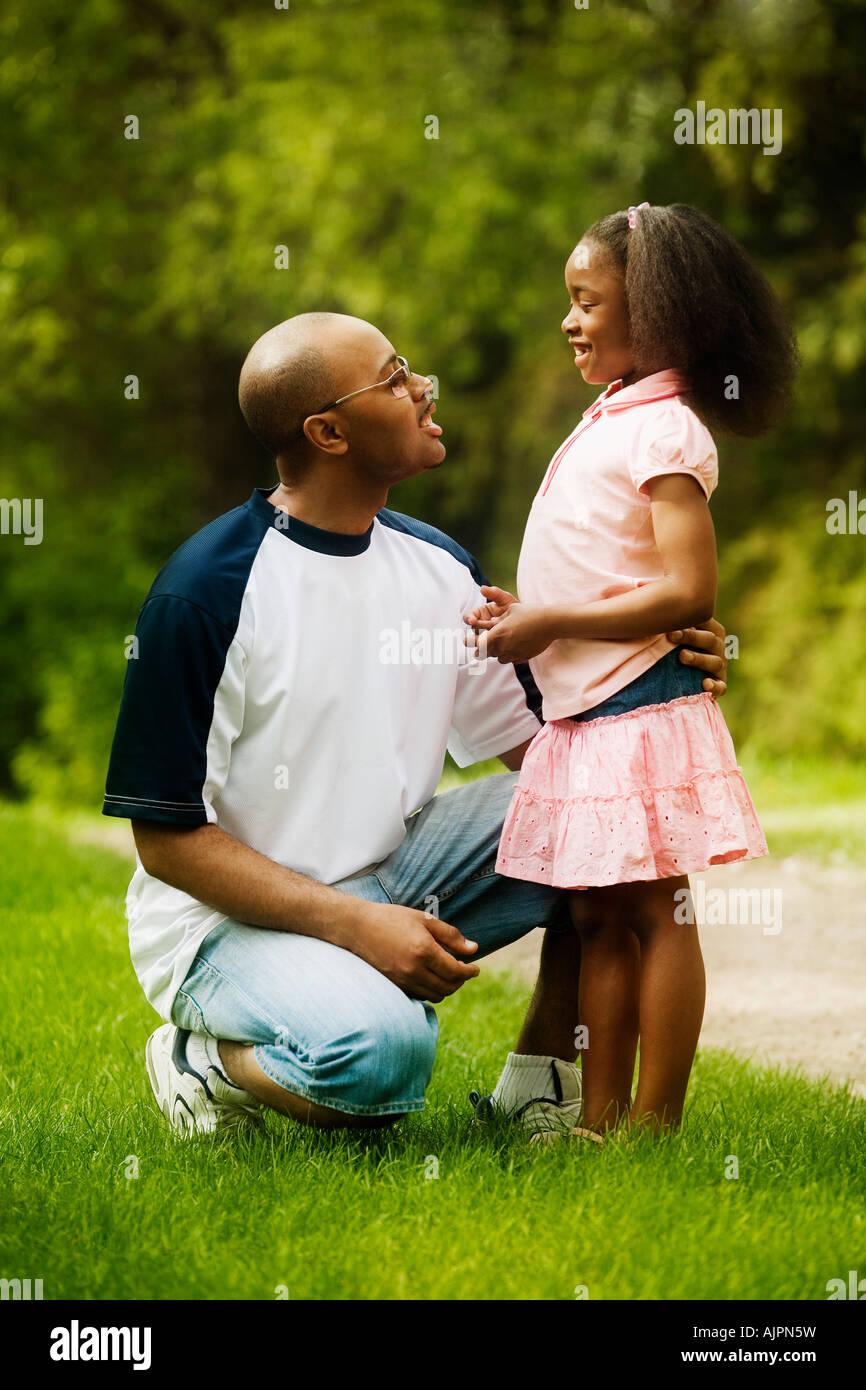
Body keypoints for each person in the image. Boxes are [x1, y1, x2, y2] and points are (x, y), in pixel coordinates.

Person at [102, 310, 729, 1137]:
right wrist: (355, 925)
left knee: (597, 807)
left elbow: (556, 747)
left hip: (398, 872)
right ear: (328, 431)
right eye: (394, 380)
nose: (423, 388)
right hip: (226, 926)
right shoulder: (203, 595)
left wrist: (660, 672)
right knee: (379, 1058)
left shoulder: (436, 567)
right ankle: (200, 1061)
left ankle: (538, 1091)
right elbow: (167, 842)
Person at [466, 204, 797, 1135]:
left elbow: (689, 588)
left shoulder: (667, 432)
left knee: (656, 912)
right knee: (599, 920)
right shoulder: (619, 416)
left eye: (586, 302)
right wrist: (527, 614)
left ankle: (656, 1125)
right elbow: (610, 564)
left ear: (652, 314)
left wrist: (554, 621)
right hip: (584, 711)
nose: (569, 320)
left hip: (639, 707)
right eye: (568, 302)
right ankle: (598, 1123)